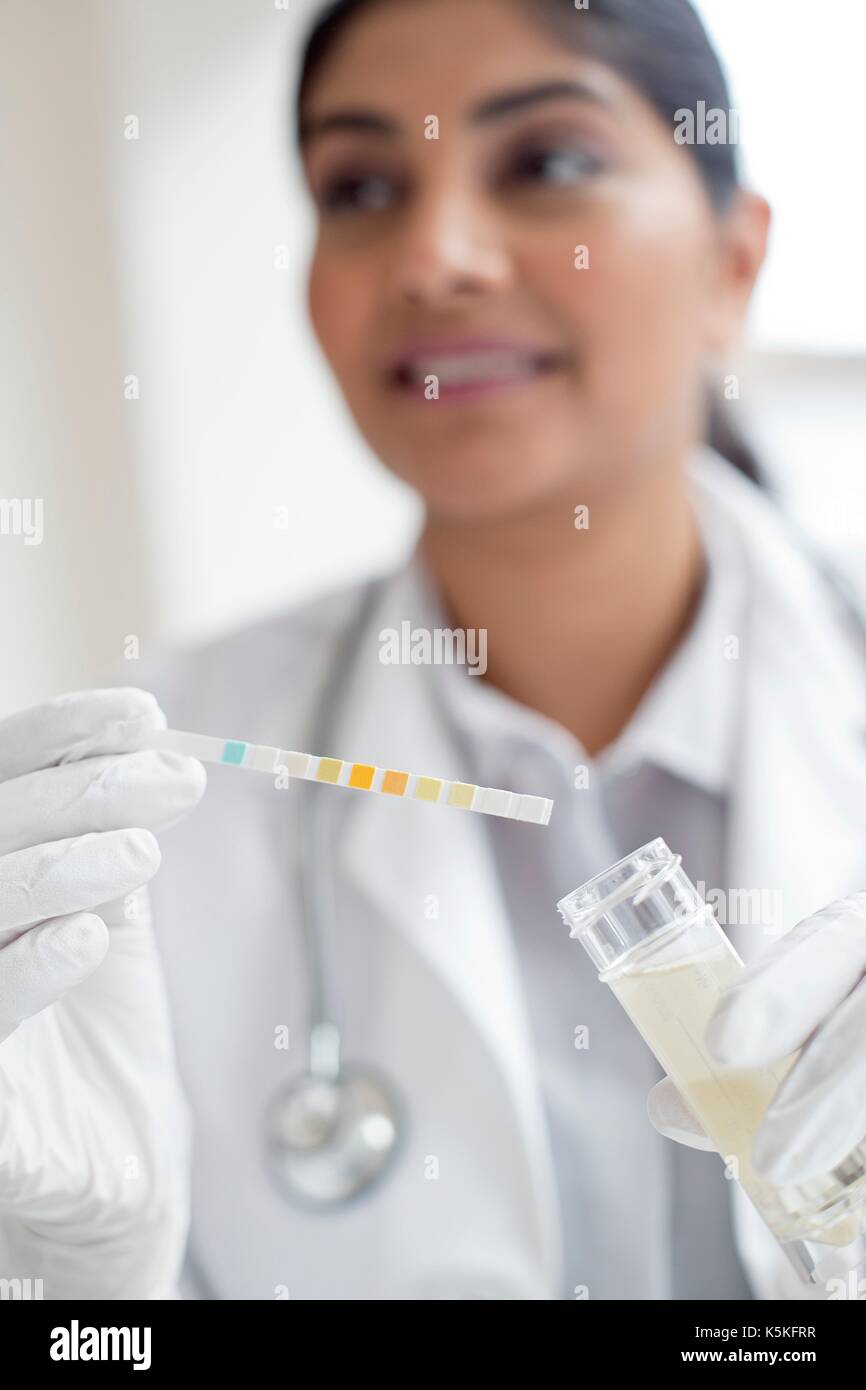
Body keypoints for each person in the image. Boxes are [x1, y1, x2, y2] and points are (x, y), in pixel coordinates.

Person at [2, 0, 865, 1302]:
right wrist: (79, 1292)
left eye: (548, 162)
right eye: (360, 186)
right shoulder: (141, 793)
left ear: (732, 265)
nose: (435, 255)